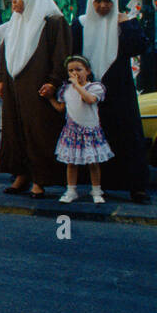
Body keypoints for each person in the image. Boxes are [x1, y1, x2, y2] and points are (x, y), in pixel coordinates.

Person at [71, 0, 150, 203]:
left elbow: (139, 47)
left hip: (120, 89)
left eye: (108, 1)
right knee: (96, 138)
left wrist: (126, 23)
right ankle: (99, 185)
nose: (103, 6)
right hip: (91, 89)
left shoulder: (123, 22)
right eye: (98, 1)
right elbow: (72, 54)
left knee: (128, 137)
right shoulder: (81, 24)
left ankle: (137, 188)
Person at [0, 0, 69, 198]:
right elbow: (6, 53)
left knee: (38, 130)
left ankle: (40, 178)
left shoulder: (53, 22)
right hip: (14, 85)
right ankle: (21, 174)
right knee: (15, 129)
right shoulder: (15, 23)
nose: (14, 2)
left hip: (38, 86)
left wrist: (54, 82)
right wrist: (1, 79)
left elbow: (61, 54)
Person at [49, 55, 113, 204]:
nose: (75, 73)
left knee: (93, 163)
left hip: (90, 131)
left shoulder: (95, 87)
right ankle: (71, 190)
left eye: (79, 69)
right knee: (71, 162)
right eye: (71, 70)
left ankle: (96, 190)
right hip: (72, 132)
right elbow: (60, 107)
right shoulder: (65, 89)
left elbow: (89, 100)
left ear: (88, 71)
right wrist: (50, 98)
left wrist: (77, 85)